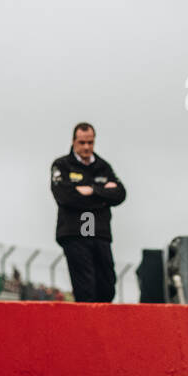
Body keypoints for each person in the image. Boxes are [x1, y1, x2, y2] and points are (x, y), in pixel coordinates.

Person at [50, 122, 126, 302]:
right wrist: (102, 194)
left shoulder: (103, 166)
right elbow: (65, 196)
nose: (86, 147)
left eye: (90, 143)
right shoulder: (62, 165)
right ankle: (87, 326)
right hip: (75, 232)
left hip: (98, 232)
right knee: (86, 287)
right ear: (74, 142)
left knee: (107, 285)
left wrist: (91, 190)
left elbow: (120, 194)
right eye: (82, 143)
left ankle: (103, 325)